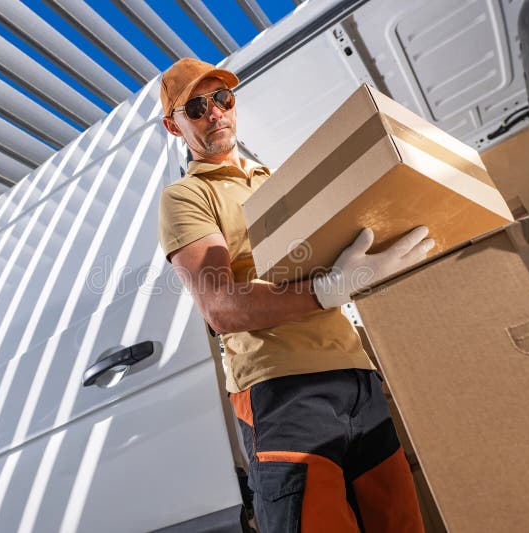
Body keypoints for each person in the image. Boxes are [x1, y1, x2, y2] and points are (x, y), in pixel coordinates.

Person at [158, 57, 432, 532]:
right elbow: (221, 308)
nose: (216, 113)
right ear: (174, 125)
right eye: (197, 107)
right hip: (282, 390)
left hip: (356, 378)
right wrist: (329, 291)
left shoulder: (277, 179)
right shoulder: (186, 197)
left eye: (222, 98)